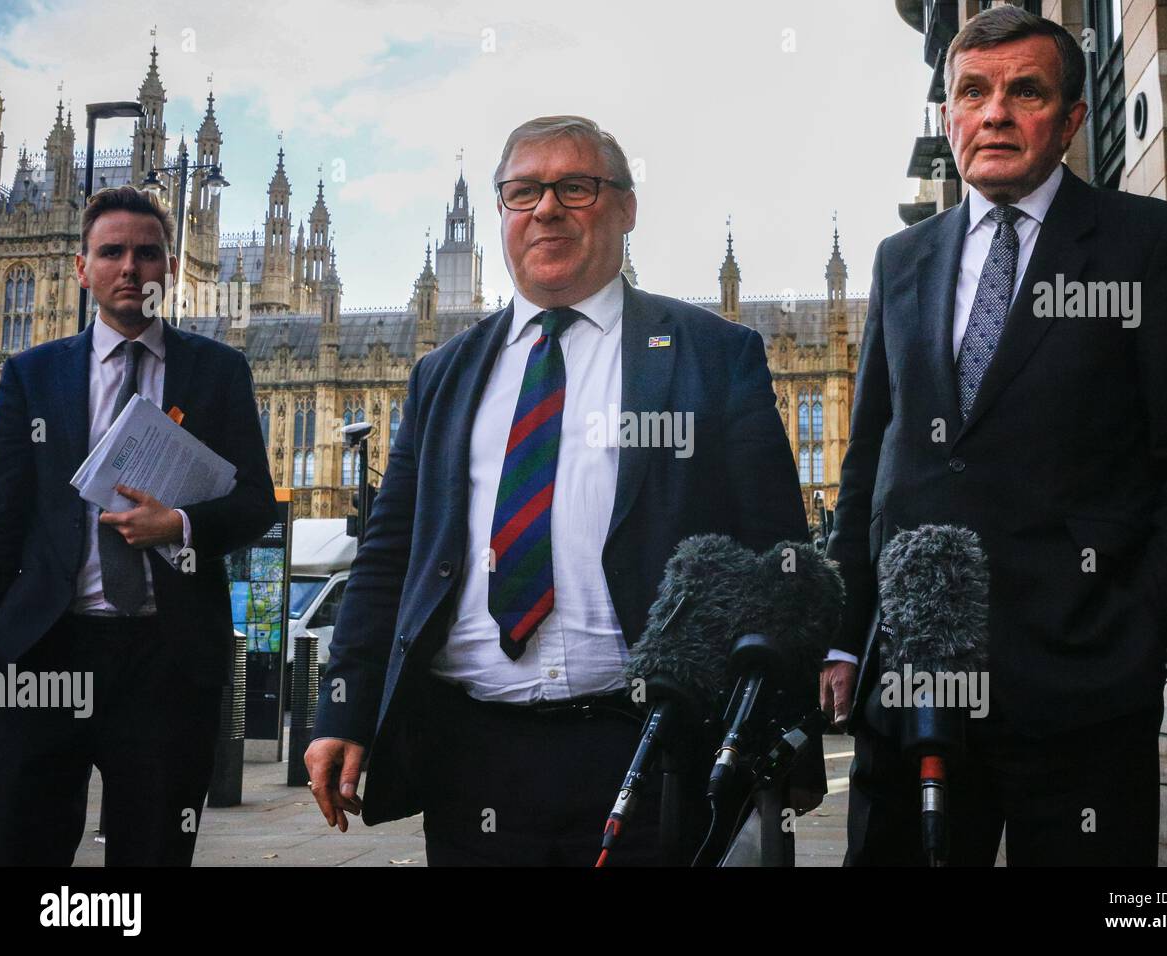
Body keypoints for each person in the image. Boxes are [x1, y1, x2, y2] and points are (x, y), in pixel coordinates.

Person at [306, 115, 811, 865]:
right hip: (471, 753)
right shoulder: (443, 375)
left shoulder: (712, 353)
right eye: (523, 192)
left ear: (625, 207)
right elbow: (388, 557)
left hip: (648, 746)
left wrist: (777, 731)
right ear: (501, 214)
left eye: (575, 187)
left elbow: (778, 557)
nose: (546, 209)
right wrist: (342, 707)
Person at [820, 5, 1167, 866]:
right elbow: (870, 463)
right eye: (972, 92)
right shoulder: (900, 262)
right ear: (949, 115)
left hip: (1081, 687)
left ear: (1074, 119)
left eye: (1025, 91)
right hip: (914, 679)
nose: (995, 113)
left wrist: (1149, 637)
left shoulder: (1148, 245)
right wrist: (843, 632)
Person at [0, 185, 277, 865]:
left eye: (147, 253)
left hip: (164, 661)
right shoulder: (31, 375)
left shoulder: (218, 372)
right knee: (20, 843)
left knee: (151, 853)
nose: (130, 267)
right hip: (47, 651)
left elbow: (255, 503)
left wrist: (177, 524)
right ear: (82, 268)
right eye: (111, 252)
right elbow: (1, 521)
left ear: (171, 269)